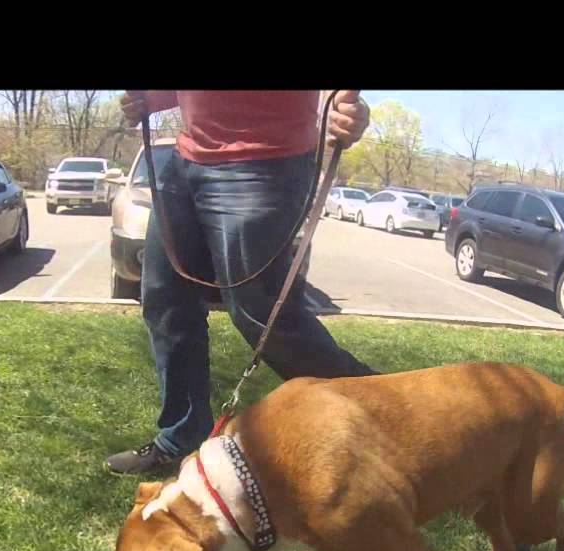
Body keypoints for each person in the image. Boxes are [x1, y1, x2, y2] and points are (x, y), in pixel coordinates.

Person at [105, 90, 380, 475]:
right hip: (184, 159)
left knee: (262, 315)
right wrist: (152, 98)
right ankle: (181, 439)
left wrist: (341, 104)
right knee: (165, 302)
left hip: (265, 162)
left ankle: (384, 411)